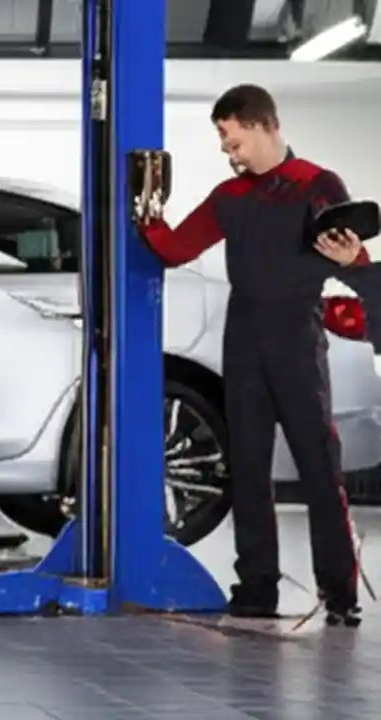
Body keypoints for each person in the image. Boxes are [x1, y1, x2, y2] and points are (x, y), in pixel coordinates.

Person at [136, 83, 369, 626]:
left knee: (319, 467)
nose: (227, 151)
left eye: (231, 138)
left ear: (263, 125)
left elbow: (351, 257)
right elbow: (173, 248)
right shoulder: (229, 197)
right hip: (242, 341)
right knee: (248, 469)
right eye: (223, 141)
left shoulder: (318, 184)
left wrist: (357, 258)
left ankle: (340, 594)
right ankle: (256, 589)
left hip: (296, 339)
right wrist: (143, 204)